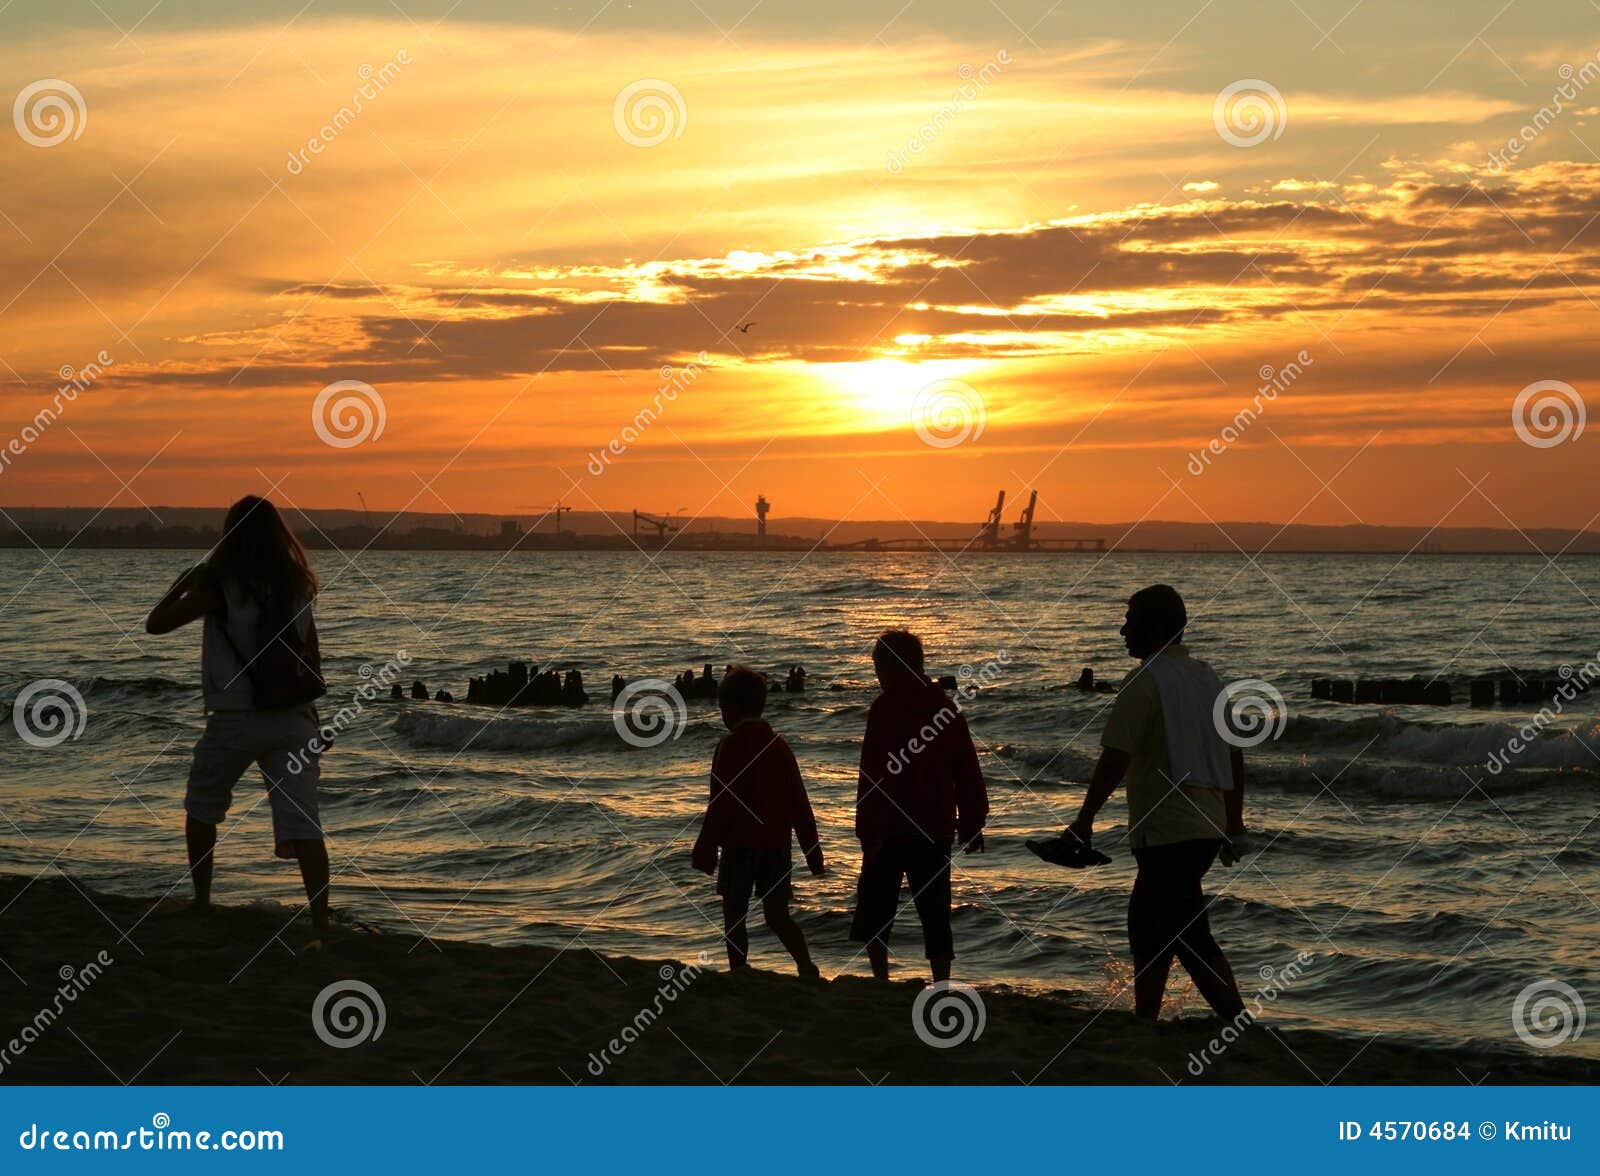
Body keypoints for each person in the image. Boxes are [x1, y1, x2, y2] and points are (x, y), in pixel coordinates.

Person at [1031, 584, 1247, 1021]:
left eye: (1131, 621)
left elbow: (1115, 758)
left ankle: (1237, 1021)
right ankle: (1147, 1020)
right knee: (1156, 926)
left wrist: (1084, 819)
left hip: (1168, 831)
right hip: (1204, 827)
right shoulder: (1209, 679)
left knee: (1183, 933)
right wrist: (1233, 821)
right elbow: (1234, 755)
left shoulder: (1145, 681)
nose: (1123, 630)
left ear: (1157, 628)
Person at [144, 495, 331, 930]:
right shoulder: (299, 585)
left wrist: (181, 583)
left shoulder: (221, 587)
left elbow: (156, 624)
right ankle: (321, 919)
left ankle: (202, 901)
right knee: (303, 820)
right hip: (294, 717)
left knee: (203, 805)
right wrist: (314, 717)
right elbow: (309, 658)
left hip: (235, 716)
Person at [851, 629, 988, 982]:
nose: (877, 677)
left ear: (893, 667)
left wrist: (865, 828)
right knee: (935, 911)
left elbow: (870, 774)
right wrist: (973, 821)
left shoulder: (884, 709)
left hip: (888, 826)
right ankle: (940, 981)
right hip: (933, 826)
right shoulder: (945, 709)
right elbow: (967, 771)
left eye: (878, 668)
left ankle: (881, 978)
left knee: (876, 906)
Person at [691, 666, 824, 978]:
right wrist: (813, 854)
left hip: (739, 845)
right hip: (775, 845)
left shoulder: (728, 746)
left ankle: (739, 970)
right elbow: (800, 804)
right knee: (777, 915)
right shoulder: (780, 746)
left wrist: (706, 849)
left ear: (731, 708)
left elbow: (719, 804)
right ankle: (805, 965)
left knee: (734, 914)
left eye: (722, 708)